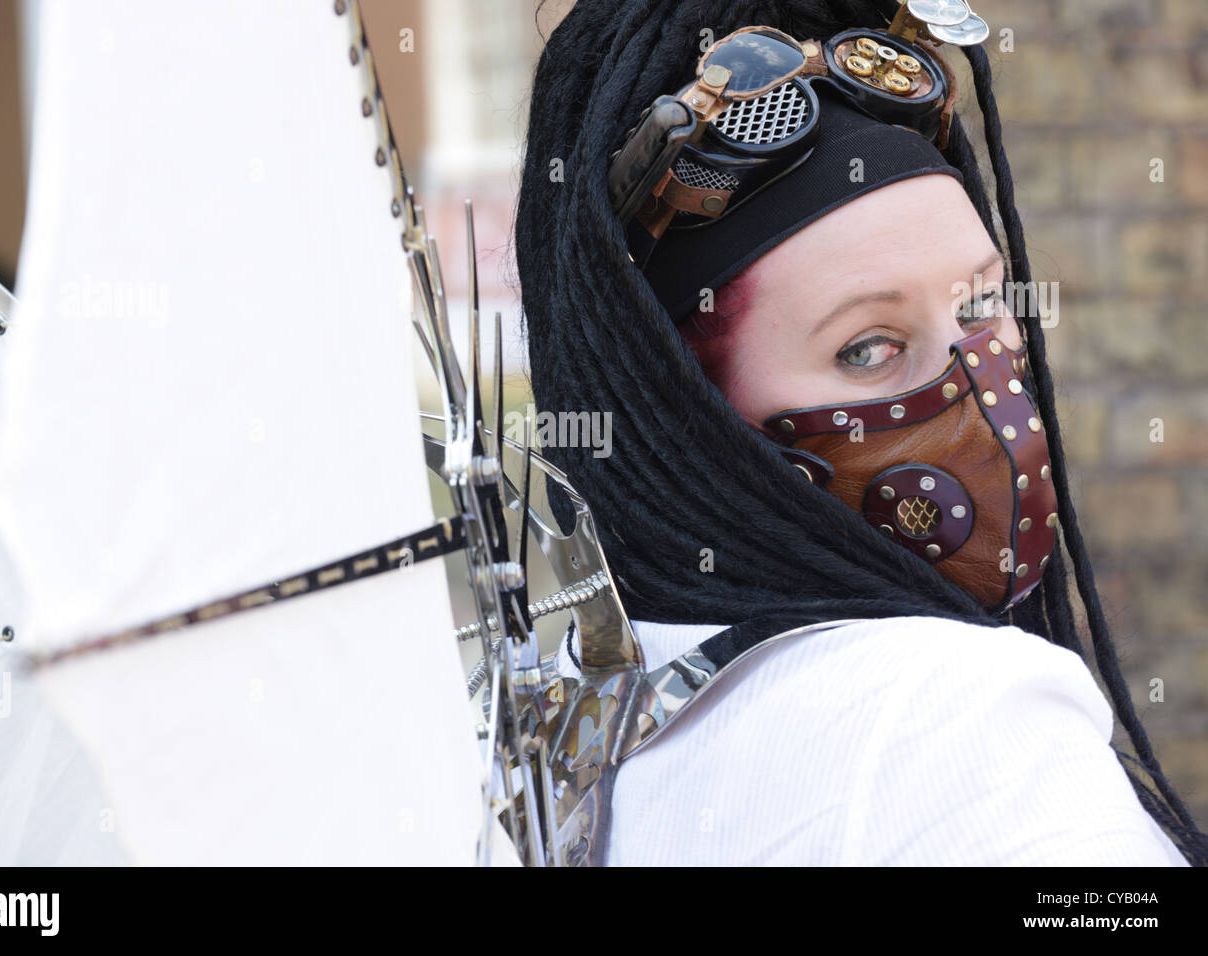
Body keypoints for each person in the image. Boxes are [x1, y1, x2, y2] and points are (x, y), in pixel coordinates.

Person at [514, 0, 1207, 865]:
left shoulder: (577, 737)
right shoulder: (957, 716)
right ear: (695, 416)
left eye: (983, 304)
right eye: (869, 347)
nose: (980, 385)